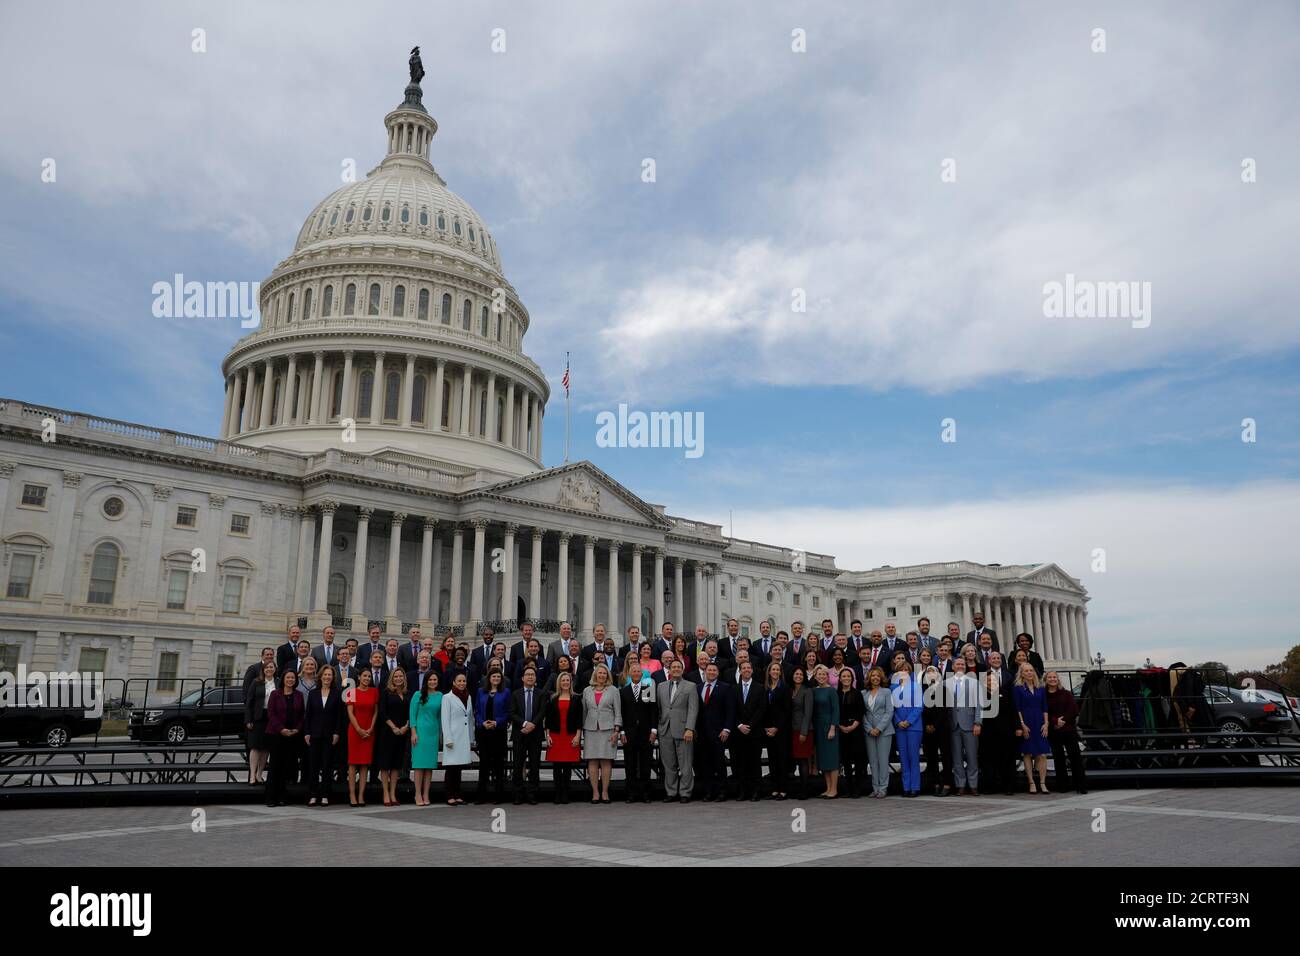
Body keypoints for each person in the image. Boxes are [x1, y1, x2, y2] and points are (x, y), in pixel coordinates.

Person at [580, 663, 622, 804]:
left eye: (605, 673)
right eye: (600, 673)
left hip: (608, 730)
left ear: (607, 676)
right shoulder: (587, 691)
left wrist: (617, 729)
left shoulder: (613, 690)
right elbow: (584, 711)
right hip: (591, 729)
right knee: (592, 761)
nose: (602, 675)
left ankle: (605, 792)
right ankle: (595, 793)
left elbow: (618, 711)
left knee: (605, 761)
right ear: (595, 674)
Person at [657, 659, 697, 803]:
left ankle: (685, 792)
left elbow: (693, 710)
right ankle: (671, 792)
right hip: (665, 729)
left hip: (683, 730)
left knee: (685, 763)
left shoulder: (690, 686)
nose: (675, 669)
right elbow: (659, 708)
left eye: (678, 667)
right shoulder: (661, 686)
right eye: (673, 667)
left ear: (683, 669)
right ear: (669, 668)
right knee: (669, 764)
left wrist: (689, 728)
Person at [618, 660, 657, 802]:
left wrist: (654, 730)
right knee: (630, 765)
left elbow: (653, 710)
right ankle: (631, 793)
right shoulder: (623, 691)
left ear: (642, 674)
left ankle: (645, 793)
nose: (636, 674)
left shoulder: (648, 689)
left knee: (646, 764)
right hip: (629, 733)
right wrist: (621, 731)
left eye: (638, 672)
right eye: (633, 671)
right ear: (629, 673)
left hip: (646, 732)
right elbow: (621, 712)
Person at [695, 661, 735, 802]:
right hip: (702, 733)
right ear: (705, 672)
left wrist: (727, 728)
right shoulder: (698, 687)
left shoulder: (725, 687)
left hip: (719, 733)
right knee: (705, 764)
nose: (711, 672)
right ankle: (708, 792)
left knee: (719, 764)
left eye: (714, 670)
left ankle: (722, 792)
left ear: (718, 673)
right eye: (709, 670)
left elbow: (730, 710)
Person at [304, 663, 343, 807]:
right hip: (314, 734)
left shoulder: (337, 693)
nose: (327, 677)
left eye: (330, 675)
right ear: (320, 676)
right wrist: (307, 732)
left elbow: (339, 716)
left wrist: (337, 732)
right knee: (313, 766)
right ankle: (313, 795)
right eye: (325, 674)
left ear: (333, 678)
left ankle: (325, 795)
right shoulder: (313, 693)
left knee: (327, 766)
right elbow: (308, 715)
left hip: (329, 735)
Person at [265, 669, 304, 807]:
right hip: (276, 735)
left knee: (286, 767)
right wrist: (281, 729)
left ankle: (282, 797)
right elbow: (271, 714)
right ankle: (271, 797)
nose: (290, 680)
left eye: (292, 678)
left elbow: (301, 715)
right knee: (275, 766)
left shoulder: (299, 695)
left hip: (292, 736)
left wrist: (296, 729)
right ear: (283, 679)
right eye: (288, 677)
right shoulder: (275, 694)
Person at [544, 671, 583, 804]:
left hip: (570, 735)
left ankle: (566, 792)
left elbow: (579, 720)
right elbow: (548, 719)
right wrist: (547, 735)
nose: (565, 682)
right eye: (563, 680)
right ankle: (557, 792)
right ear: (559, 683)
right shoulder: (553, 698)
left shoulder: (577, 698)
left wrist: (578, 736)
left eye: (567, 680)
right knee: (556, 766)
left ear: (571, 682)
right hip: (556, 735)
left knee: (567, 766)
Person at [730, 660, 767, 801]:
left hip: (754, 732)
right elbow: (731, 709)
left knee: (755, 763)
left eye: (748, 668)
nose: (746, 670)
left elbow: (761, 709)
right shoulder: (734, 688)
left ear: (752, 670)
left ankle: (756, 791)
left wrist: (750, 726)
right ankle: (742, 791)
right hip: (738, 732)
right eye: (743, 668)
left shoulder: (760, 688)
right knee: (741, 763)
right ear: (740, 671)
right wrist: (739, 725)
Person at [1045, 670, 1086, 794]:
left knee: (1075, 757)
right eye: (1050, 677)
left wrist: (1062, 722)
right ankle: (1062, 786)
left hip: (1068, 729)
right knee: (1059, 759)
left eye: (1054, 677)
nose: (1052, 679)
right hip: (1054, 730)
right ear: (1046, 680)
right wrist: (1054, 721)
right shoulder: (1044, 695)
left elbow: (1073, 709)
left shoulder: (1066, 693)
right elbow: (1044, 711)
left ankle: (1080, 785)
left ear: (1058, 679)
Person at [475, 669, 511, 804]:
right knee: (484, 764)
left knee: (498, 765)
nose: (496, 678)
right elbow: (477, 710)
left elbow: (508, 712)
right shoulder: (480, 692)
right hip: (484, 732)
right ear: (488, 678)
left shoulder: (506, 692)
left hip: (498, 732)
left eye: (498, 676)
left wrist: (497, 722)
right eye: (493, 676)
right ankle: (481, 795)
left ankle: (498, 795)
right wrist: (482, 722)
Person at [979, 664, 1016, 795]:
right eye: (988, 680)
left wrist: (1016, 727)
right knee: (988, 760)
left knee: (1007, 759)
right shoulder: (980, 695)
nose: (991, 681)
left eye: (993, 679)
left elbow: (1013, 711)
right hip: (987, 733)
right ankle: (990, 786)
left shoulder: (1005, 692)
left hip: (1005, 732)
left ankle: (1008, 786)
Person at [510, 666, 545, 805]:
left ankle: (532, 793)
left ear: (536, 678)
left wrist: (532, 725)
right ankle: (518, 794)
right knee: (518, 765)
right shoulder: (515, 694)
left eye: (533, 675)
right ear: (522, 678)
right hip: (520, 733)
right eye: (527, 674)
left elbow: (542, 712)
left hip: (535, 734)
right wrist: (525, 724)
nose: (530, 677)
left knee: (535, 765)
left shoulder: (541, 693)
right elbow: (512, 712)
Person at [1014, 663, 1051, 793]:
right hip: (1026, 722)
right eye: (1026, 671)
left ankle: (1042, 782)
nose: (1029, 673)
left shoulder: (1040, 688)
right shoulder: (1018, 688)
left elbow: (1045, 707)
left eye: (1031, 670)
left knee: (1042, 753)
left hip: (1039, 722)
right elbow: (1017, 708)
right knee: (1028, 753)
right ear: (1022, 673)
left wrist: (1046, 724)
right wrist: (1022, 724)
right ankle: (1031, 782)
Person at [345, 667, 379, 807]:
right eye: (364, 676)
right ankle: (352, 794)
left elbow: (376, 711)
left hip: (369, 731)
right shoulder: (350, 692)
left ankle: (361, 795)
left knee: (365, 764)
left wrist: (371, 728)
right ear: (359, 677)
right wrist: (358, 729)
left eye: (369, 677)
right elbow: (350, 713)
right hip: (355, 731)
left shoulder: (374, 691)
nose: (367, 679)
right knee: (353, 764)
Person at [409, 670, 442, 807]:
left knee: (429, 766)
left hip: (433, 733)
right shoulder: (418, 694)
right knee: (419, 766)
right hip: (420, 732)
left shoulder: (440, 696)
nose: (433, 682)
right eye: (430, 680)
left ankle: (426, 794)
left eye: (435, 680)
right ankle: (417, 793)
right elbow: (412, 715)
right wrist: (413, 733)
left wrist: (440, 734)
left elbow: (440, 716)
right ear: (426, 681)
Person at [949, 657, 981, 795]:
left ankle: (973, 785)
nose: (961, 666)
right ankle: (960, 785)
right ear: (953, 667)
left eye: (963, 664)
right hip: (953, 725)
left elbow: (979, 706)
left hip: (969, 724)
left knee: (972, 757)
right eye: (958, 664)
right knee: (957, 758)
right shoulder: (945, 683)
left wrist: (978, 722)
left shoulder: (974, 683)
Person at [440, 672, 473, 806]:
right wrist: (447, 738)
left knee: (459, 767)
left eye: (464, 681)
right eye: (459, 681)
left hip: (463, 737)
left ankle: (458, 794)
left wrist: (471, 737)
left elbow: (470, 719)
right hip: (452, 738)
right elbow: (445, 719)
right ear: (453, 682)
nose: (462, 683)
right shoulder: (447, 697)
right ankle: (449, 795)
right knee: (451, 768)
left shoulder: (468, 696)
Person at [892, 660, 923, 797]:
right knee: (903, 758)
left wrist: (908, 721)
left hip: (914, 727)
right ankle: (906, 787)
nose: (903, 672)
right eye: (900, 669)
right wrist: (898, 721)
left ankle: (915, 787)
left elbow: (919, 706)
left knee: (913, 757)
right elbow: (891, 708)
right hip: (899, 727)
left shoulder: (916, 686)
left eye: (906, 670)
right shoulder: (893, 688)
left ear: (909, 672)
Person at [921, 662, 952, 797]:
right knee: (931, 758)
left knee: (945, 757)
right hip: (927, 730)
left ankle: (946, 784)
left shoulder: (944, 689)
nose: (931, 674)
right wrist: (927, 724)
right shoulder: (922, 689)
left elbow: (944, 710)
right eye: (928, 672)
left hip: (942, 728)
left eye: (934, 671)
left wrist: (934, 725)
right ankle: (935, 784)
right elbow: (922, 709)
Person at [244, 660, 277, 785]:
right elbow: (249, 702)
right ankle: (252, 775)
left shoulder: (278, 682)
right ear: (263, 669)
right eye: (267, 667)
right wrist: (248, 719)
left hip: (271, 718)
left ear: (275, 669)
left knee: (266, 748)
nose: (269, 669)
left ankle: (259, 774)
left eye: (272, 667)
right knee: (255, 747)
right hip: (257, 717)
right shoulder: (256, 682)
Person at [761, 661, 791, 799]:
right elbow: (763, 710)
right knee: (772, 759)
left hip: (781, 730)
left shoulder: (784, 688)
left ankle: (783, 788)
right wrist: (766, 727)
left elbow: (786, 710)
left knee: (782, 759)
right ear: (769, 671)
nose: (775, 672)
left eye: (777, 669)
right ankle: (774, 788)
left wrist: (776, 728)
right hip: (767, 729)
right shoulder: (765, 688)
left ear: (780, 672)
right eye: (772, 669)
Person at [809, 664, 840, 798]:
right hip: (818, 727)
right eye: (819, 674)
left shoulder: (831, 691)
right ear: (815, 676)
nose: (821, 676)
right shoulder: (813, 691)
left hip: (829, 727)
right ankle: (828, 788)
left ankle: (834, 789)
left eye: (824, 674)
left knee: (832, 759)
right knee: (823, 760)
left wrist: (833, 727)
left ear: (827, 676)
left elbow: (836, 710)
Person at [862, 667, 893, 798]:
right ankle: (875, 788)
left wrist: (879, 728)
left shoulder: (887, 692)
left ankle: (883, 788)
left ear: (881, 678)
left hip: (884, 731)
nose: (875, 678)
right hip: (868, 731)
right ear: (869, 678)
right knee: (873, 761)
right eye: (872, 676)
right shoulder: (863, 693)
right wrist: (869, 728)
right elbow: (862, 713)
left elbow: (889, 712)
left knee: (883, 760)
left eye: (877, 676)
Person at [836, 665, 866, 798]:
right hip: (841, 730)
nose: (846, 678)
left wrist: (853, 726)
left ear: (852, 678)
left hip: (855, 730)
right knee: (846, 761)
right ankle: (848, 788)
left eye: (848, 676)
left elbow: (861, 712)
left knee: (858, 761)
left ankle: (858, 788)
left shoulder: (857, 693)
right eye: (844, 676)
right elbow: (834, 712)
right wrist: (841, 726)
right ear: (840, 679)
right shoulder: (836, 694)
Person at [789, 665, 815, 798]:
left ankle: (805, 790)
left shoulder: (807, 691)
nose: (798, 676)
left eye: (800, 674)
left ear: (804, 677)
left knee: (804, 761)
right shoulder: (790, 690)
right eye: (796, 674)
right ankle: (800, 788)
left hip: (803, 730)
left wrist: (804, 732)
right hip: (792, 729)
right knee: (797, 760)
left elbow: (808, 713)